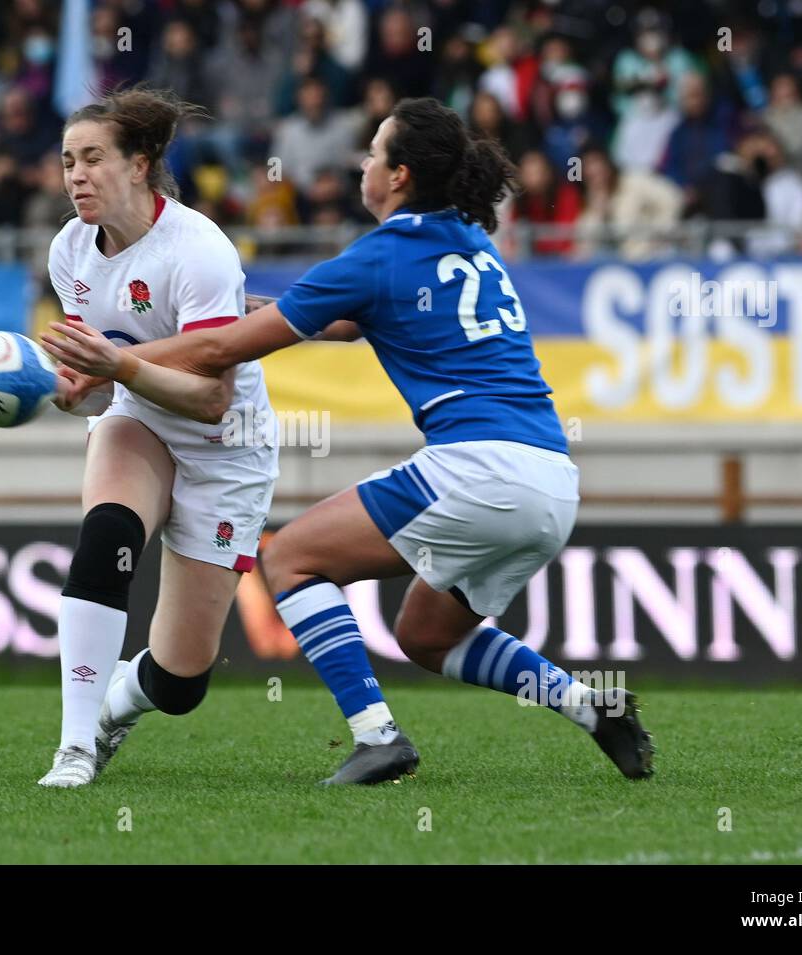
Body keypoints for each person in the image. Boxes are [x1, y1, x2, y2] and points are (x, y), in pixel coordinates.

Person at [48, 98, 655, 785]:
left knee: (295, 559)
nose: (361, 164)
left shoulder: (375, 256)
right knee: (427, 636)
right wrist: (259, 310)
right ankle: (589, 704)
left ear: (397, 177)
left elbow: (219, 348)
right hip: (550, 483)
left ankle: (377, 735)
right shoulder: (470, 241)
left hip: (476, 467)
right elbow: (345, 320)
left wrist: (118, 360)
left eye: (371, 153)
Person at [35, 88, 283, 788]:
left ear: (140, 166)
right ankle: (76, 745)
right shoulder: (69, 251)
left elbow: (210, 395)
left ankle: (119, 700)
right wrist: (77, 388)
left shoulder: (199, 251)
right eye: (66, 162)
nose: (76, 175)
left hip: (224, 445)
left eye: (93, 159)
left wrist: (116, 367)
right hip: (141, 419)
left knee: (180, 680)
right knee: (107, 533)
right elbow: (106, 381)